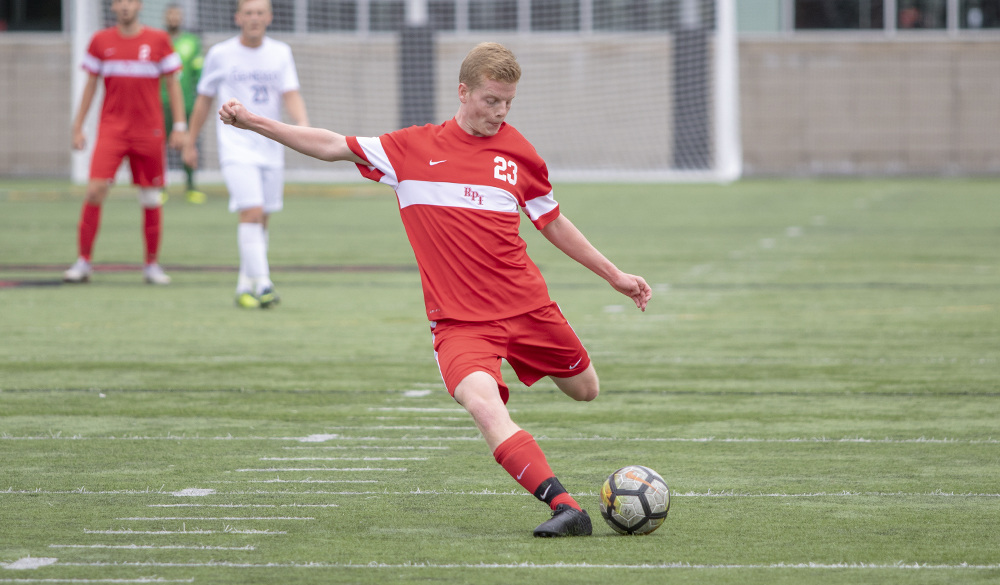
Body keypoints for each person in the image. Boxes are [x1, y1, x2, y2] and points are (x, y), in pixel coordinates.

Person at [217, 42, 652, 536]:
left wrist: (614, 275)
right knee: (484, 406)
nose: (501, 112)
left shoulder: (519, 154)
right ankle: (565, 507)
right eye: (491, 100)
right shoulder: (410, 149)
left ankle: (533, 371)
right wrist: (254, 121)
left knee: (585, 390)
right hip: (460, 324)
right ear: (463, 92)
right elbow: (330, 144)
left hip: (528, 308)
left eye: (509, 102)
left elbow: (551, 221)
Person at [183, 0, 309, 308]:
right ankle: (264, 284)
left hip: (271, 146)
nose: (254, 18)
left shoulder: (281, 52)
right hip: (236, 147)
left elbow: (290, 93)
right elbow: (204, 99)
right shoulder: (220, 53)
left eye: (260, 13)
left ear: (270, 17)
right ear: (238, 17)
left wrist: (303, 125)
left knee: (262, 217)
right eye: (248, 13)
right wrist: (189, 141)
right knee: (251, 211)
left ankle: (244, 286)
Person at [65, 0, 185, 285]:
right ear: (113, 6)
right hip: (113, 130)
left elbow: (173, 84)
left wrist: (180, 126)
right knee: (94, 190)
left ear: (139, 5)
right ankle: (83, 262)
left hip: (149, 131)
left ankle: (151, 265)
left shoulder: (159, 40)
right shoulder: (100, 41)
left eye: (130, 1)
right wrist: (78, 126)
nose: (125, 6)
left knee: (151, 197)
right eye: (119, 1)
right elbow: (91, 85)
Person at [161, 3, 205, 204]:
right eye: (171, 15)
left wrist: (200, 96)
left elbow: (198, 71)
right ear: (165, 18)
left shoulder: (191, 41)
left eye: (177, 15)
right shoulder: (158, 40)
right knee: (158, 145)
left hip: (187, 103)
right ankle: (159, 187)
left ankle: (190, 186)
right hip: (161, 102)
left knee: (188, 142)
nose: (174, 19)